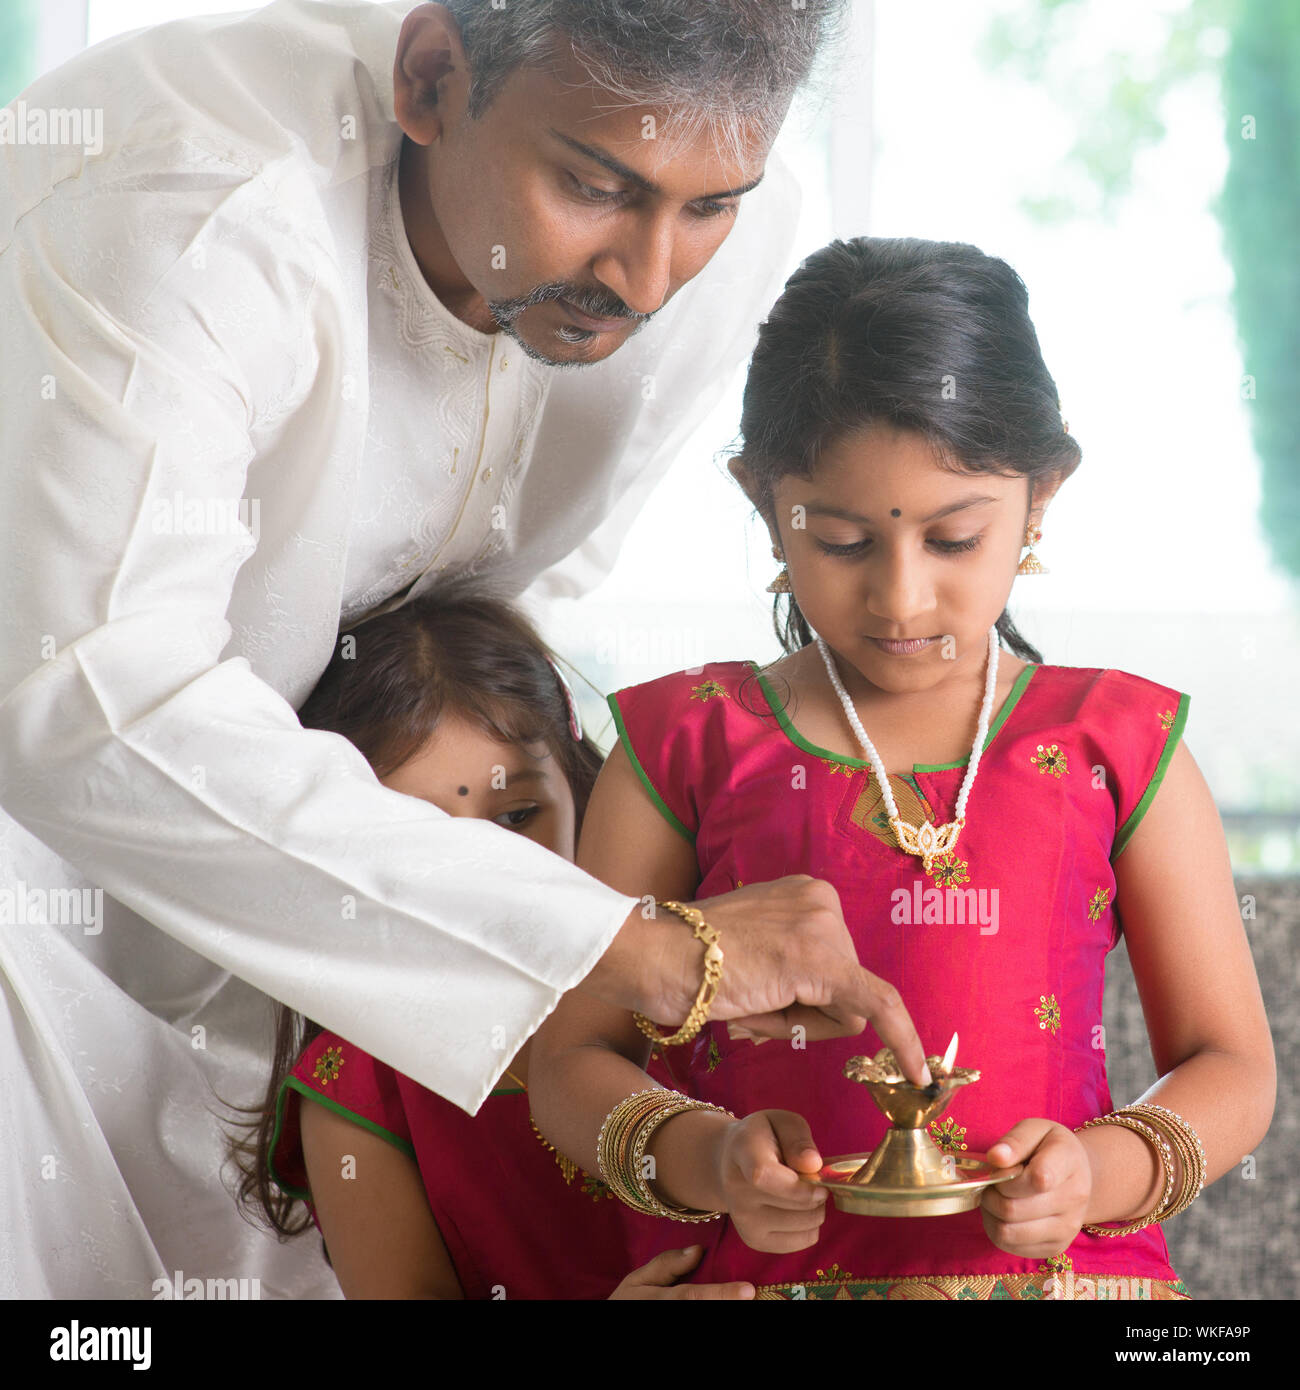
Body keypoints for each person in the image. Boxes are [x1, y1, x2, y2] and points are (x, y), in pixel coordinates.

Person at [0, 0, 931, 1300]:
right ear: (432, 80)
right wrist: (637, 945)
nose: (649, 279)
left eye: (708, 205)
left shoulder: (724, 238)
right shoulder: (197, 205)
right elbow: (87, 704)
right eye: (593, 183)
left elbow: (503, 593)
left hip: (315, 885)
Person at [527, 236, 1277, 1300]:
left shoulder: (1116, 741)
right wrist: (709, 1159)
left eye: (954, 538)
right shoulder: (684, 743)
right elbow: (567, 1059)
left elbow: (1231, 1065)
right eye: (840, 541)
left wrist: (1095, 1171)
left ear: (1041, 496)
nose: (900, 598)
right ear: (762, 501)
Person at [227, 584, 755, 1299]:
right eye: (416, 839)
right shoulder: (357, 1084)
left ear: (584, 788)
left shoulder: (703, 982)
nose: (489, 877)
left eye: (518, 817)